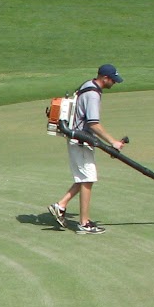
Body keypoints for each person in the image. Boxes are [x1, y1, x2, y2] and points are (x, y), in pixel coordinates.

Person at [49, 63, 125, 235]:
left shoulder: (87, 85)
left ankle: (60, 206)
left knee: (83, 178)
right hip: (81, 141)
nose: (114, 83)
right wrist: (113, 142)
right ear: (105, 78)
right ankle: (84, 223)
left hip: (79, 139)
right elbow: (93, 123)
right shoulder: (93, 95)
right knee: (88, 178)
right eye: (113, 80)